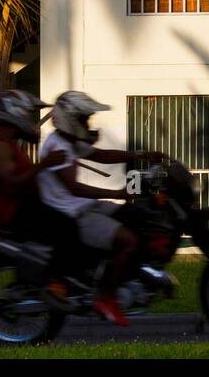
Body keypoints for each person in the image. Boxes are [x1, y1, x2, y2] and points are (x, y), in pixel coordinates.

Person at [37, 91, 165, 327]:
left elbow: (101, 155)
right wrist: (115, 193)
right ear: (71, 119)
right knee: (128, 241)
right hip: (73, 214)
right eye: (85, 119)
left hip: (84, 207)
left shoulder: (68, 141)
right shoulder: (58, 147)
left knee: (135, 217)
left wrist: (141, 155)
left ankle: (126, 274)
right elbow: (75, 188)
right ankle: (105, 296)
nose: (88, 124)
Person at [0, 90, 78, 306]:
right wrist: (44, 165)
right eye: (28, 114)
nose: (30, 120)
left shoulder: (7, 144)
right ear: (15, 113)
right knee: (69, 227)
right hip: (18, 211)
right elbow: (11, 182)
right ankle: (55, 285)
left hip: (26, 206)